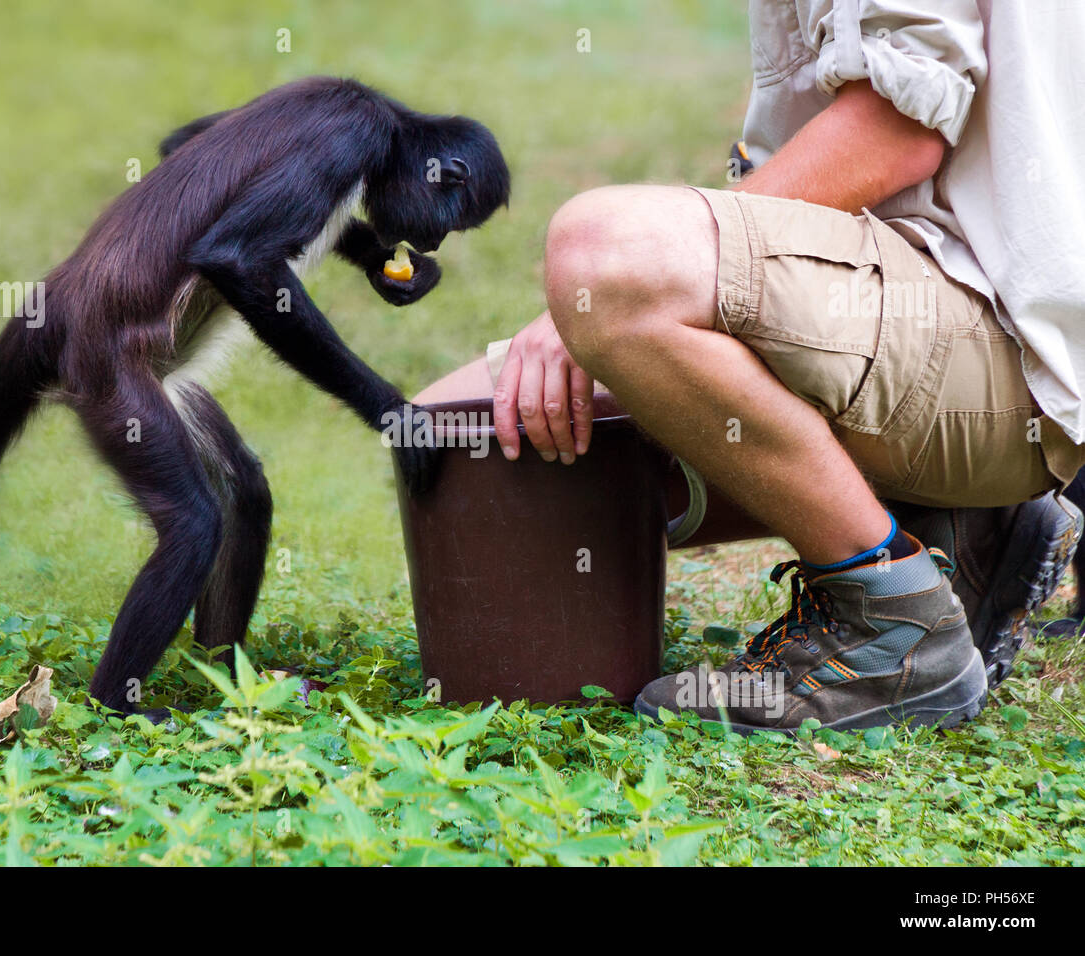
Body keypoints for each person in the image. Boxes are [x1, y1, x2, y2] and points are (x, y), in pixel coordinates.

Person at [416, 2, 1085, 731]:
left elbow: (900, 131)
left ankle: (892, 624)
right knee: (455, 429)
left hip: (999, 355)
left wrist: (605, 297)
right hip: (935, 317)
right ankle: (968, 528)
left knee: (604, 258)